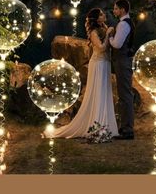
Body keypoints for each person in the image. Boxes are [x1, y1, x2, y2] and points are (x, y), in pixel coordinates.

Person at [51, 8, 118, 139]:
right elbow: (101, 48)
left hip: (105, 63)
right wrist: (109, 34)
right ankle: (97, 125)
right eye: (101, 14)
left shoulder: (104, 28)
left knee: (105, 92)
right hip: (98, 64)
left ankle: (106, 125)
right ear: (96, 19)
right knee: (98, 92)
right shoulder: (93, 32)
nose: (104, 15)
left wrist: (109, 32)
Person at [109, 0, 135, 140]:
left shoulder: (124, 24)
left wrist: (110, 36)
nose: (114, 11)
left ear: (123, 10)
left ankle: (128, 130)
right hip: (123, 60)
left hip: (123, 61)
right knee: (124, 94)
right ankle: (125, 126)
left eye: (116, 9)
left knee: (125, 95)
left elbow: (117, 44)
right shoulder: (125, 23)